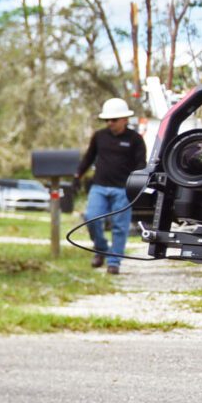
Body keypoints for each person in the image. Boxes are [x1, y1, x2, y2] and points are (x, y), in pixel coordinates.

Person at [76, 96, 145, 274]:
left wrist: (137, 185)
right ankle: (101, 249)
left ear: (125, 119)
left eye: (113, 120)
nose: (110, 123)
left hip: (123, 189)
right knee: (91, 218)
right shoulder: (99, 136)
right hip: (99, 187)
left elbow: (141, 165)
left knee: (120, 227)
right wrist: (78, 175)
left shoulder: (135, 139)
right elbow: (89, 157)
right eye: (107, 120)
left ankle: (114, 262)